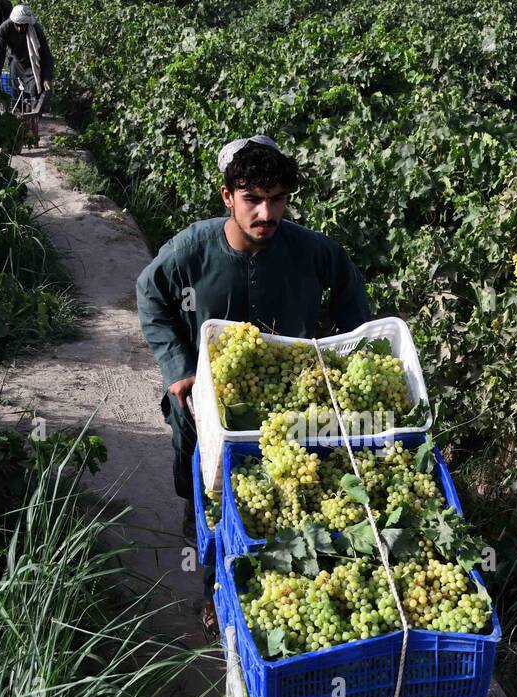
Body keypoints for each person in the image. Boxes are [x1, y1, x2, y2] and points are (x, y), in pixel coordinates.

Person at [137, 135, 372, 634]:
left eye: (277, 199)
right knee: (208, 493)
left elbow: (352, 295)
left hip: (283, 409)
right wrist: (179, 368)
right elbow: (149, 293)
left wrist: (347, 358)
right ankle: (213, 586)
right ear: (228, 197)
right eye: (252, 199)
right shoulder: (192, 248)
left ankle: (268, 591)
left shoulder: (311, 251)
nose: (266, 212)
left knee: (277, 501)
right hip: (204, 408)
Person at [0, 5, 54, 101]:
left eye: (23, 25)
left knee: (34, 90)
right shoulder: (5, 28)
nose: (19, 28)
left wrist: (47, 78)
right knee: (16, 93)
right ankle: (18, 112)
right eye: (17, 25)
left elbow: (46, 54)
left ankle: (33, 112)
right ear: (13, 22)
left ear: (28, 23)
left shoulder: (36, 29)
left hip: (33, 64)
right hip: (16, 62)